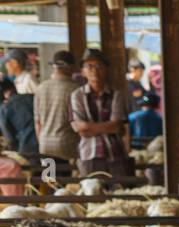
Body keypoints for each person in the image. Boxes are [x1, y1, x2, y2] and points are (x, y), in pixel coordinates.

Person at [69, 49, 130, 177]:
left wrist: (88, 127)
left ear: (106, 69)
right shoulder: (77, 95)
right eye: (89, 66)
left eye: (99, 66)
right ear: (82, 71)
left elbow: (118, 126)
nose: (94, 70)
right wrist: (108, 127)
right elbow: (80, 129)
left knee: (119, 194)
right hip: (89, 154)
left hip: (115, 154)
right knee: (92, 195)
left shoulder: (116, 95)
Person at [34, 50, 80, 165]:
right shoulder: (75, 90)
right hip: (67, 145)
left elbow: (38, 122)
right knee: (67, 181)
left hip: (44, 143)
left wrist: (42, 141)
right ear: (71, 68)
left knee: (50, 180)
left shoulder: (41, 88)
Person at [0, 78, 36, 159]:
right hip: (48, 146)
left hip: (28, 150)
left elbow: (10, 139)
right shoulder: (33, 97)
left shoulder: (4, 108)